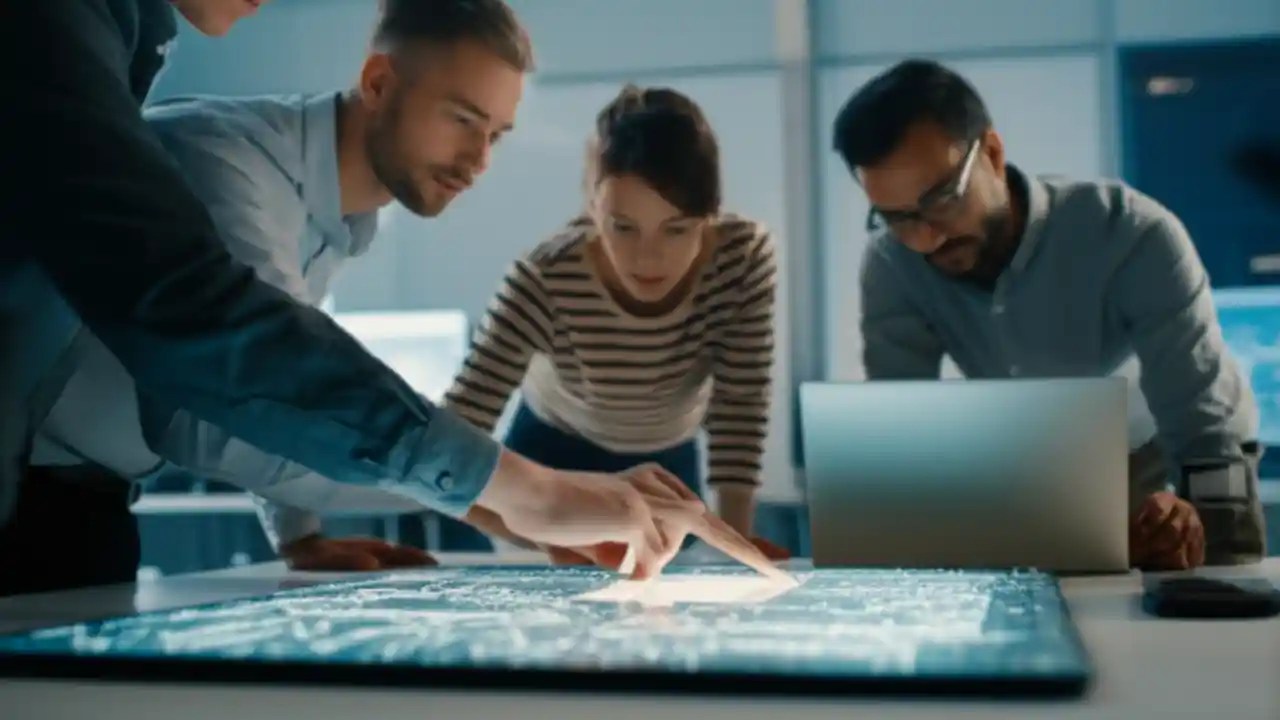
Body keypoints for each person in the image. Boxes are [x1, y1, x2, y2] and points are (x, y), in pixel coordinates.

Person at [0, 0, 770, 597]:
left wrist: (296, 531)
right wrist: (512, 492)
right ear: (376, 82)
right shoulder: (226, 159)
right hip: (37, 492)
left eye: (497, 134)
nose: (478, 159)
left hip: (88, 501)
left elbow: (283, 352)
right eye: (462, 119)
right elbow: (209, 395)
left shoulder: (344, 217)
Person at [831, 59, 1267, 570]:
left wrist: (1200, 514)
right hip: (1039, 458)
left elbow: (1200, 419)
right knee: (1058, 606)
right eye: (895, 217)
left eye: (941, 200)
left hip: (1170, 444)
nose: (926, 237)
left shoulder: (1128, 231)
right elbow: (900, 421)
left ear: (992, 153)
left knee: (1212, 584)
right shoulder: (893, 261)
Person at [443, 85, 790, 561]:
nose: (649, 256)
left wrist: (735, 540)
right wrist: (539, 534)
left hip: (665, 455)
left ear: (710, 216)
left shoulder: (742, 259)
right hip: (551, 453)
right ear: (592, 207)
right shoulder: (544, 276)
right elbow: (453, 435)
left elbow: (740, 403)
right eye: (623, 227)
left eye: (678, 228)